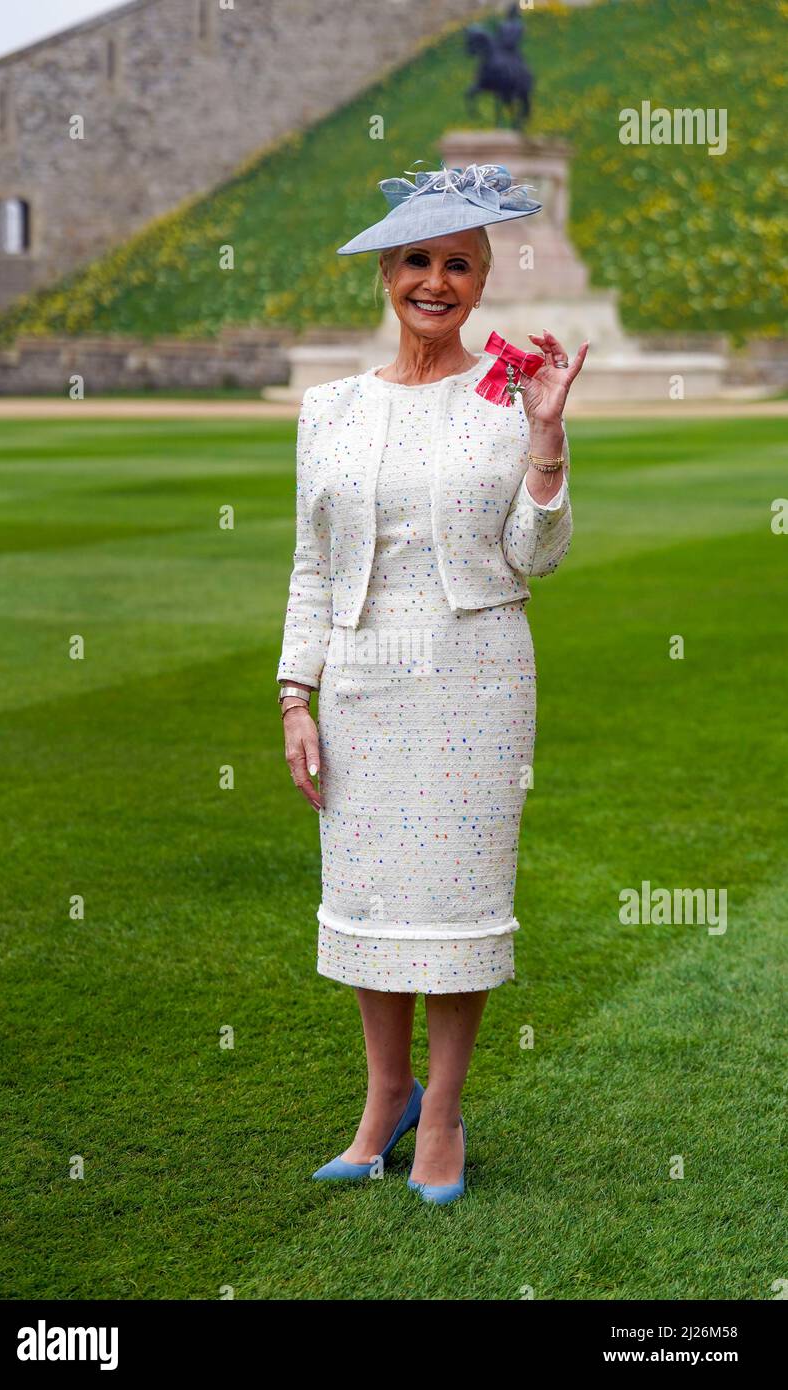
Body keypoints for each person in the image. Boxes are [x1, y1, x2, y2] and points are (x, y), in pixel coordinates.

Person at [277, 163, 588, 1204]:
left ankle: (443, 1112)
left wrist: (544, 443)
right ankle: (384, 1099)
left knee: (452, 900)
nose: (436, 280)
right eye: (418, 259)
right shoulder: (327, 409)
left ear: (481, 281)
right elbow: (310, 565)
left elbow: (533, 558)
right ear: (384, 270)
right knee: (370, 895)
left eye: (459, 263)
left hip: (472, 674)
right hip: (361, 680)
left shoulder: (505, 393)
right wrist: (293, 693)